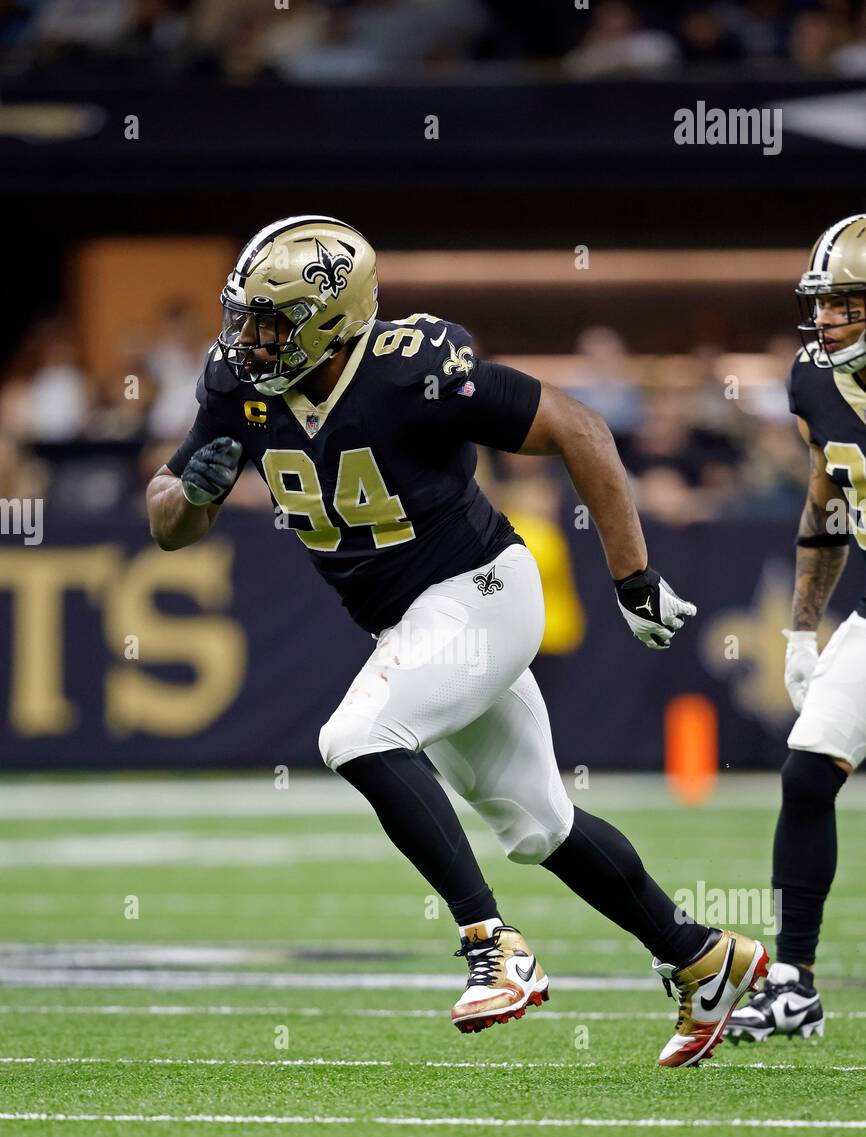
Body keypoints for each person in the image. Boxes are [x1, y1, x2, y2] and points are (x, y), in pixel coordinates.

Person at [146, 214, 767, 1066]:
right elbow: (172, 521)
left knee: (358, 735)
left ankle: (492, 945)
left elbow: (579, 427)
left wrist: (634, 578)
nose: (249, 340)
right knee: (539, 824)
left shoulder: (410, 370)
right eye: (245, 318)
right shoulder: (237, 384)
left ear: (330, 321)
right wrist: (188, 498)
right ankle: (702, 956)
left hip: (481, 593)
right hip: (415, 620)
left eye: (270, 322)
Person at [729, 213, 866, 1045]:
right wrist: (800, 630)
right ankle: (796, 984)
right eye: (823, 302)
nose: (825, 320)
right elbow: (826, 504)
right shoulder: (815, 380)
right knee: (808, 773)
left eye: (846, 303)